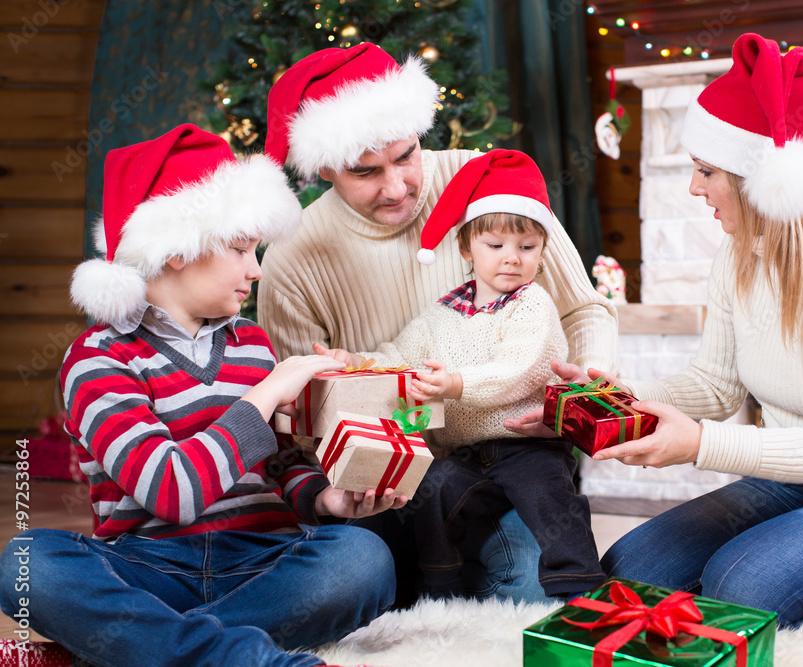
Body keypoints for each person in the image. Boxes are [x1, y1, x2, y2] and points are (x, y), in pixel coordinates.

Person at [517, 33, 803, 648]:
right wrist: (615, 396)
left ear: (761, 178)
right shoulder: (739, 253)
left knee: (738, 591)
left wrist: (698, 445)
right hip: (797, 482)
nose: (694, 189)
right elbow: (715, 383)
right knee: (631, 575)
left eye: (706, 171)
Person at [0, 125, 405, 667]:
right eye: (241, 249)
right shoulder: (98, 358)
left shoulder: (253, 345)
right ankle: (240, 657)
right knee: (28, 563)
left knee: (363, 558)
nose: (255, 270)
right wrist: (266, 394)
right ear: (176, 251)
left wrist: (323, 499)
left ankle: (143, 650)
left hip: (262, 564)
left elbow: (281, 465)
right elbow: (171, 491)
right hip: (149, 568)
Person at [259, 43, 619, 603]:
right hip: (394, 483)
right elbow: (298, 426)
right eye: (366, 172)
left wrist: (579, 403)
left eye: (406, 156)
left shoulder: (488, 181)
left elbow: (583, 310)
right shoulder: (292, 257)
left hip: (517, 455)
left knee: (533, 593)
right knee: (376, 586)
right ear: (325, 167)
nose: (398, 187)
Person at [321, 149, 606, 599]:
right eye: (496, 246)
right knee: (432, 490)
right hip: (467, 453)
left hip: (526, 447)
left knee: (552, 499)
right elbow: (401, 354)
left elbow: (521, 370)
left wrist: (455, 385)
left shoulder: (532, 305)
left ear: (543, 252)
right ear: (465, 247)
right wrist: (360, 363)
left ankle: (581, 590)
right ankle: (439, 587)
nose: (512, 259)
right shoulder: (442, 314)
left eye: (527, 247)